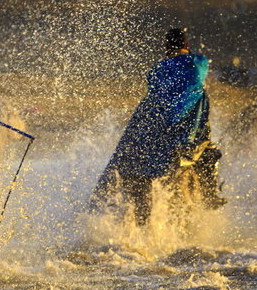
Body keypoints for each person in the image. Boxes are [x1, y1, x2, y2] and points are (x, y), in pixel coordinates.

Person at [91, 27, 225, 224]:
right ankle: (210, 196)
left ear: (166, 46)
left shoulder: (156, 70)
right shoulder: (198, 63)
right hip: (186, 132)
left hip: (153, 129)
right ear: (187, 45)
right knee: (210, 153)